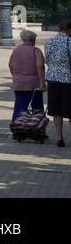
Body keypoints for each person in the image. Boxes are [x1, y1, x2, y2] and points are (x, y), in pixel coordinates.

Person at [43, 20, 71, 148]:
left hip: (52, 78)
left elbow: (47, 59)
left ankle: (59, 138)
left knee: (56, 110)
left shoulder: (49, 41)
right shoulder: (69, 41)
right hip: (68, 79)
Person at [9, 28, 46, 122]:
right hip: (34, 85)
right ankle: (35, 129)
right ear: (33, 40)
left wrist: (15, 76)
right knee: (37, 109)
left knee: (19, 108)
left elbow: (10, 64)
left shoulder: (16, 50)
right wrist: (42, 83)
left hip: (18, 83)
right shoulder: (36, 51)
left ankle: (17, 129)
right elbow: (40, 66)